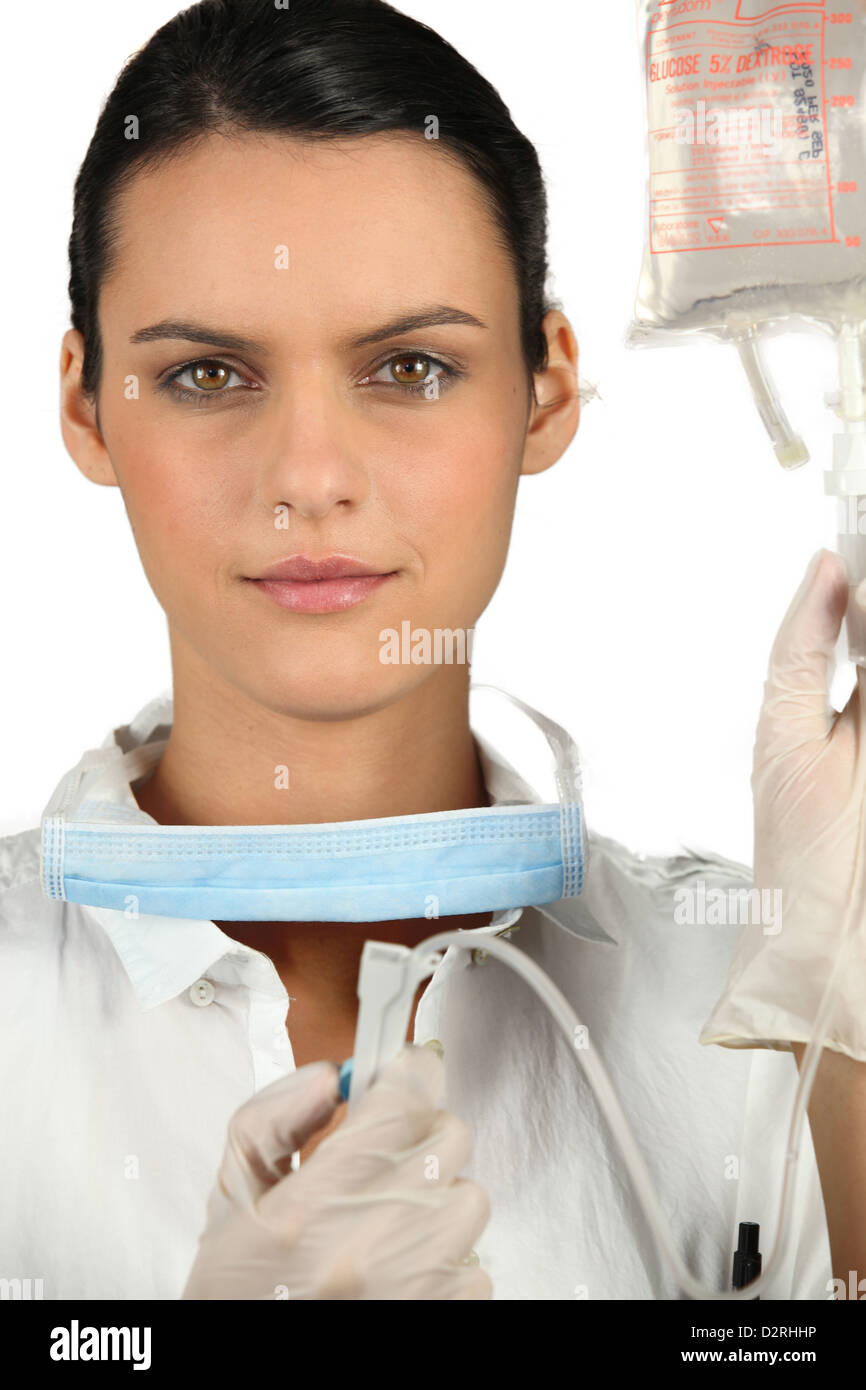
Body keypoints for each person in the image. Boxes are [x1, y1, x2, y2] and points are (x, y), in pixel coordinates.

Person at [0, 0, 863, 1301]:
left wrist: (838, 1001)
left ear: (546, 388)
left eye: (407, 366)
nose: (308, 477)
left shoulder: (749, 996)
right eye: (206, 374)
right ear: (85, 404)